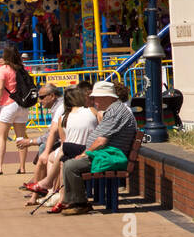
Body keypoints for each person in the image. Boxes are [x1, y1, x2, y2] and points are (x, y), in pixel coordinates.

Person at [57, 81, 139, 216]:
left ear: (107, 96)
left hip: (110, 156)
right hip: (104, 154)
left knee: (71, 165)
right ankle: (73, 201)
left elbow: (101, 141)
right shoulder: (113, 109)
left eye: (96, 97)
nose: (93, 100)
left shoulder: (115, 111)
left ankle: (80, 203)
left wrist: (85, 153)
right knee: (68, 162)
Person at [33, 86, 99, 212]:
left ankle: (53, 188)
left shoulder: (65, 117)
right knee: (63, 158)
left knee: (63, 153)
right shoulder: (86, 112)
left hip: (87, 151)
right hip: (79, 151)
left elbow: (64, 141)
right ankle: (61, 196)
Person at [15, 83, 64, 192]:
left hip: (66, 143)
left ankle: (40, 185)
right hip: (63, 141)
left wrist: (31, 141)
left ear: (52, 96)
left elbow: (53, 133)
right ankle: (39, 182)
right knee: (44, 147)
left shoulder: (60, 107)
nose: (39, 101)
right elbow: (51, 133)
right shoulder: (56, 106)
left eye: (42, 97)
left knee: (44, 148)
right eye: (38, 97)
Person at [0, 44, 32, 175]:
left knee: (2, 137)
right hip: (22, 104)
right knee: (21, 137)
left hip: (8, 104)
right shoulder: (20, 68)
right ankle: (22, 167)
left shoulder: (3, 69)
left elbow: (0, 88)